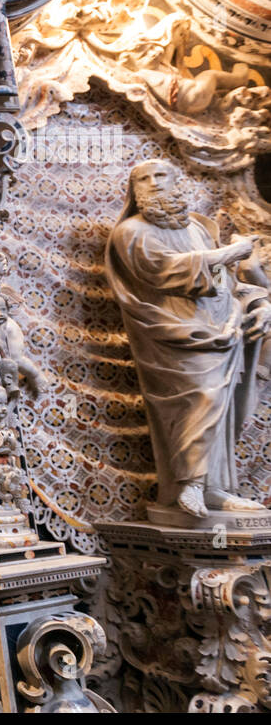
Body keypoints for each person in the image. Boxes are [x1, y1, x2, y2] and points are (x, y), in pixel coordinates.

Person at [105, 159, 271, 519]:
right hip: (173, 336)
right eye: (143, 179)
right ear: (134, 192)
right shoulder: (131, 231)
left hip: (224, 329)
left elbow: (229, 281)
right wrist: (228, 252)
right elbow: (166, 271)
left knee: (223, 408)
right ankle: (187, 485)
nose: (153, 183)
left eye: (161, 176)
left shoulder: (198, 226)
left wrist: (259, 303)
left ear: (177, 181)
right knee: (200, 397)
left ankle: (215, 489)